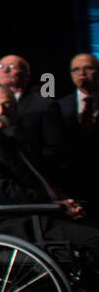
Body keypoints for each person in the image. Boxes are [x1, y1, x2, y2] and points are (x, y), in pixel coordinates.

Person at [0, 85, 99, 252]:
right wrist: (51, 203)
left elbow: (45, 178)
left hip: (48, 212)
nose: (1, 110)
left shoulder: (16, 139)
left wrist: (66, 202)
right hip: (18, 219)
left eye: (8, 105)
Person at [0, 54, 63, 176]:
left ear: (26, 75)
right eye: (1, 66)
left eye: (11, 67)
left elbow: (54, 149)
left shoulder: (44, 106)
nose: (4, 70)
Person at [59, 53, 99, 200]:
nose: (81, 73)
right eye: (75, 69)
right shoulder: (59, 107)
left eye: (88, 68)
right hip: (72, 184)